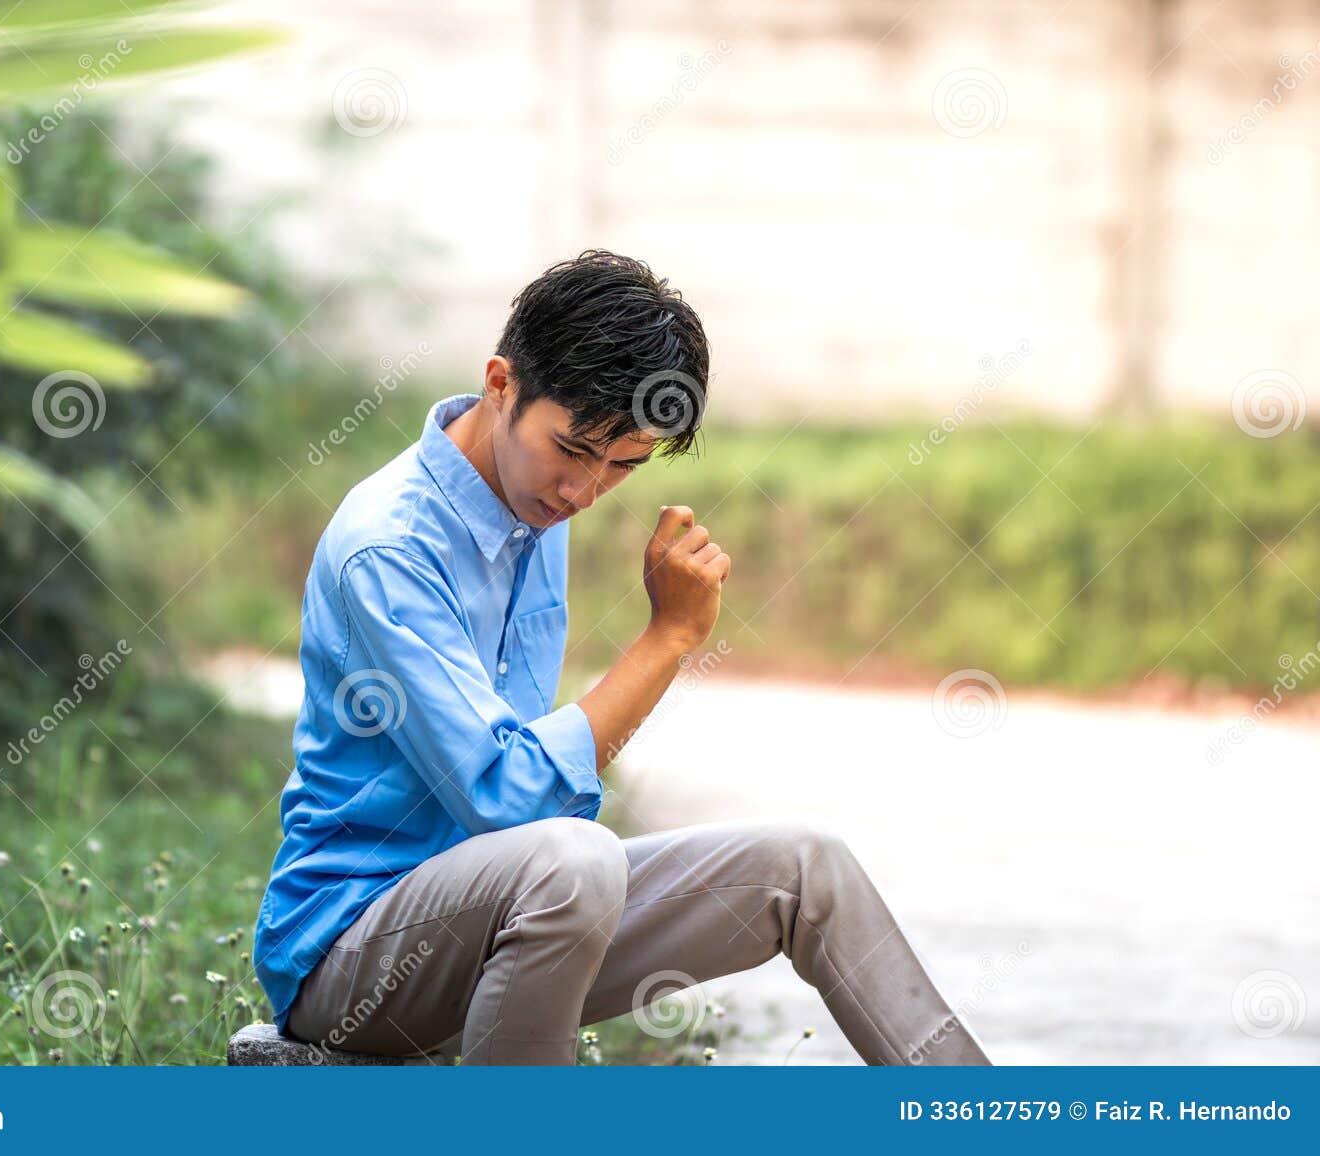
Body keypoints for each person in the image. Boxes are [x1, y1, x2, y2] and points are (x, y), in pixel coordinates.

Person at [253, 250, 989, 1066]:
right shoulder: (388, 548)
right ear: (501, 385)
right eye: (571, 450)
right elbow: (508, 798)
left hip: (511, 920)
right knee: (574, 858)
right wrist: (668, 639)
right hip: (355, 959)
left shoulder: (530, 503)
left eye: (623, 466)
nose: (582, 491)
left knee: (806, 867)